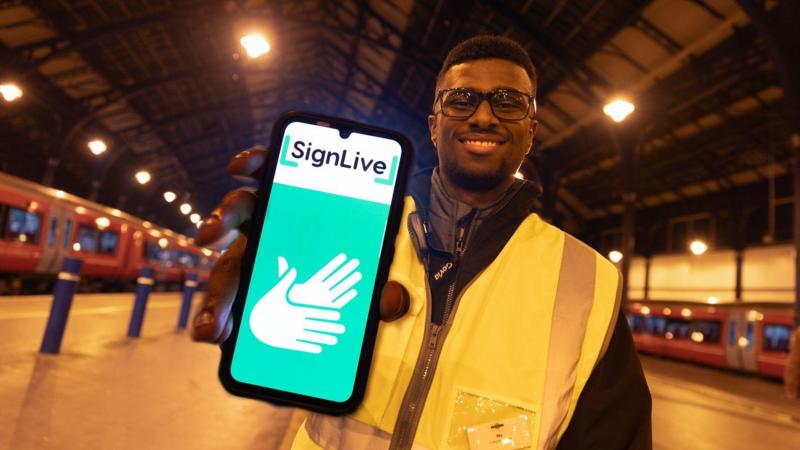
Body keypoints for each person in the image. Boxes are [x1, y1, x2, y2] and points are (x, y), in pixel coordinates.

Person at [192, 35, 652, 450]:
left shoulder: (589, 281)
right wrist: (258, 319)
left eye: (508, 103)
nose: (484, 116)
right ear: (434, 126)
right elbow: (288, 355)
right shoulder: (357, 228)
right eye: (462, 100)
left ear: (530, 131)